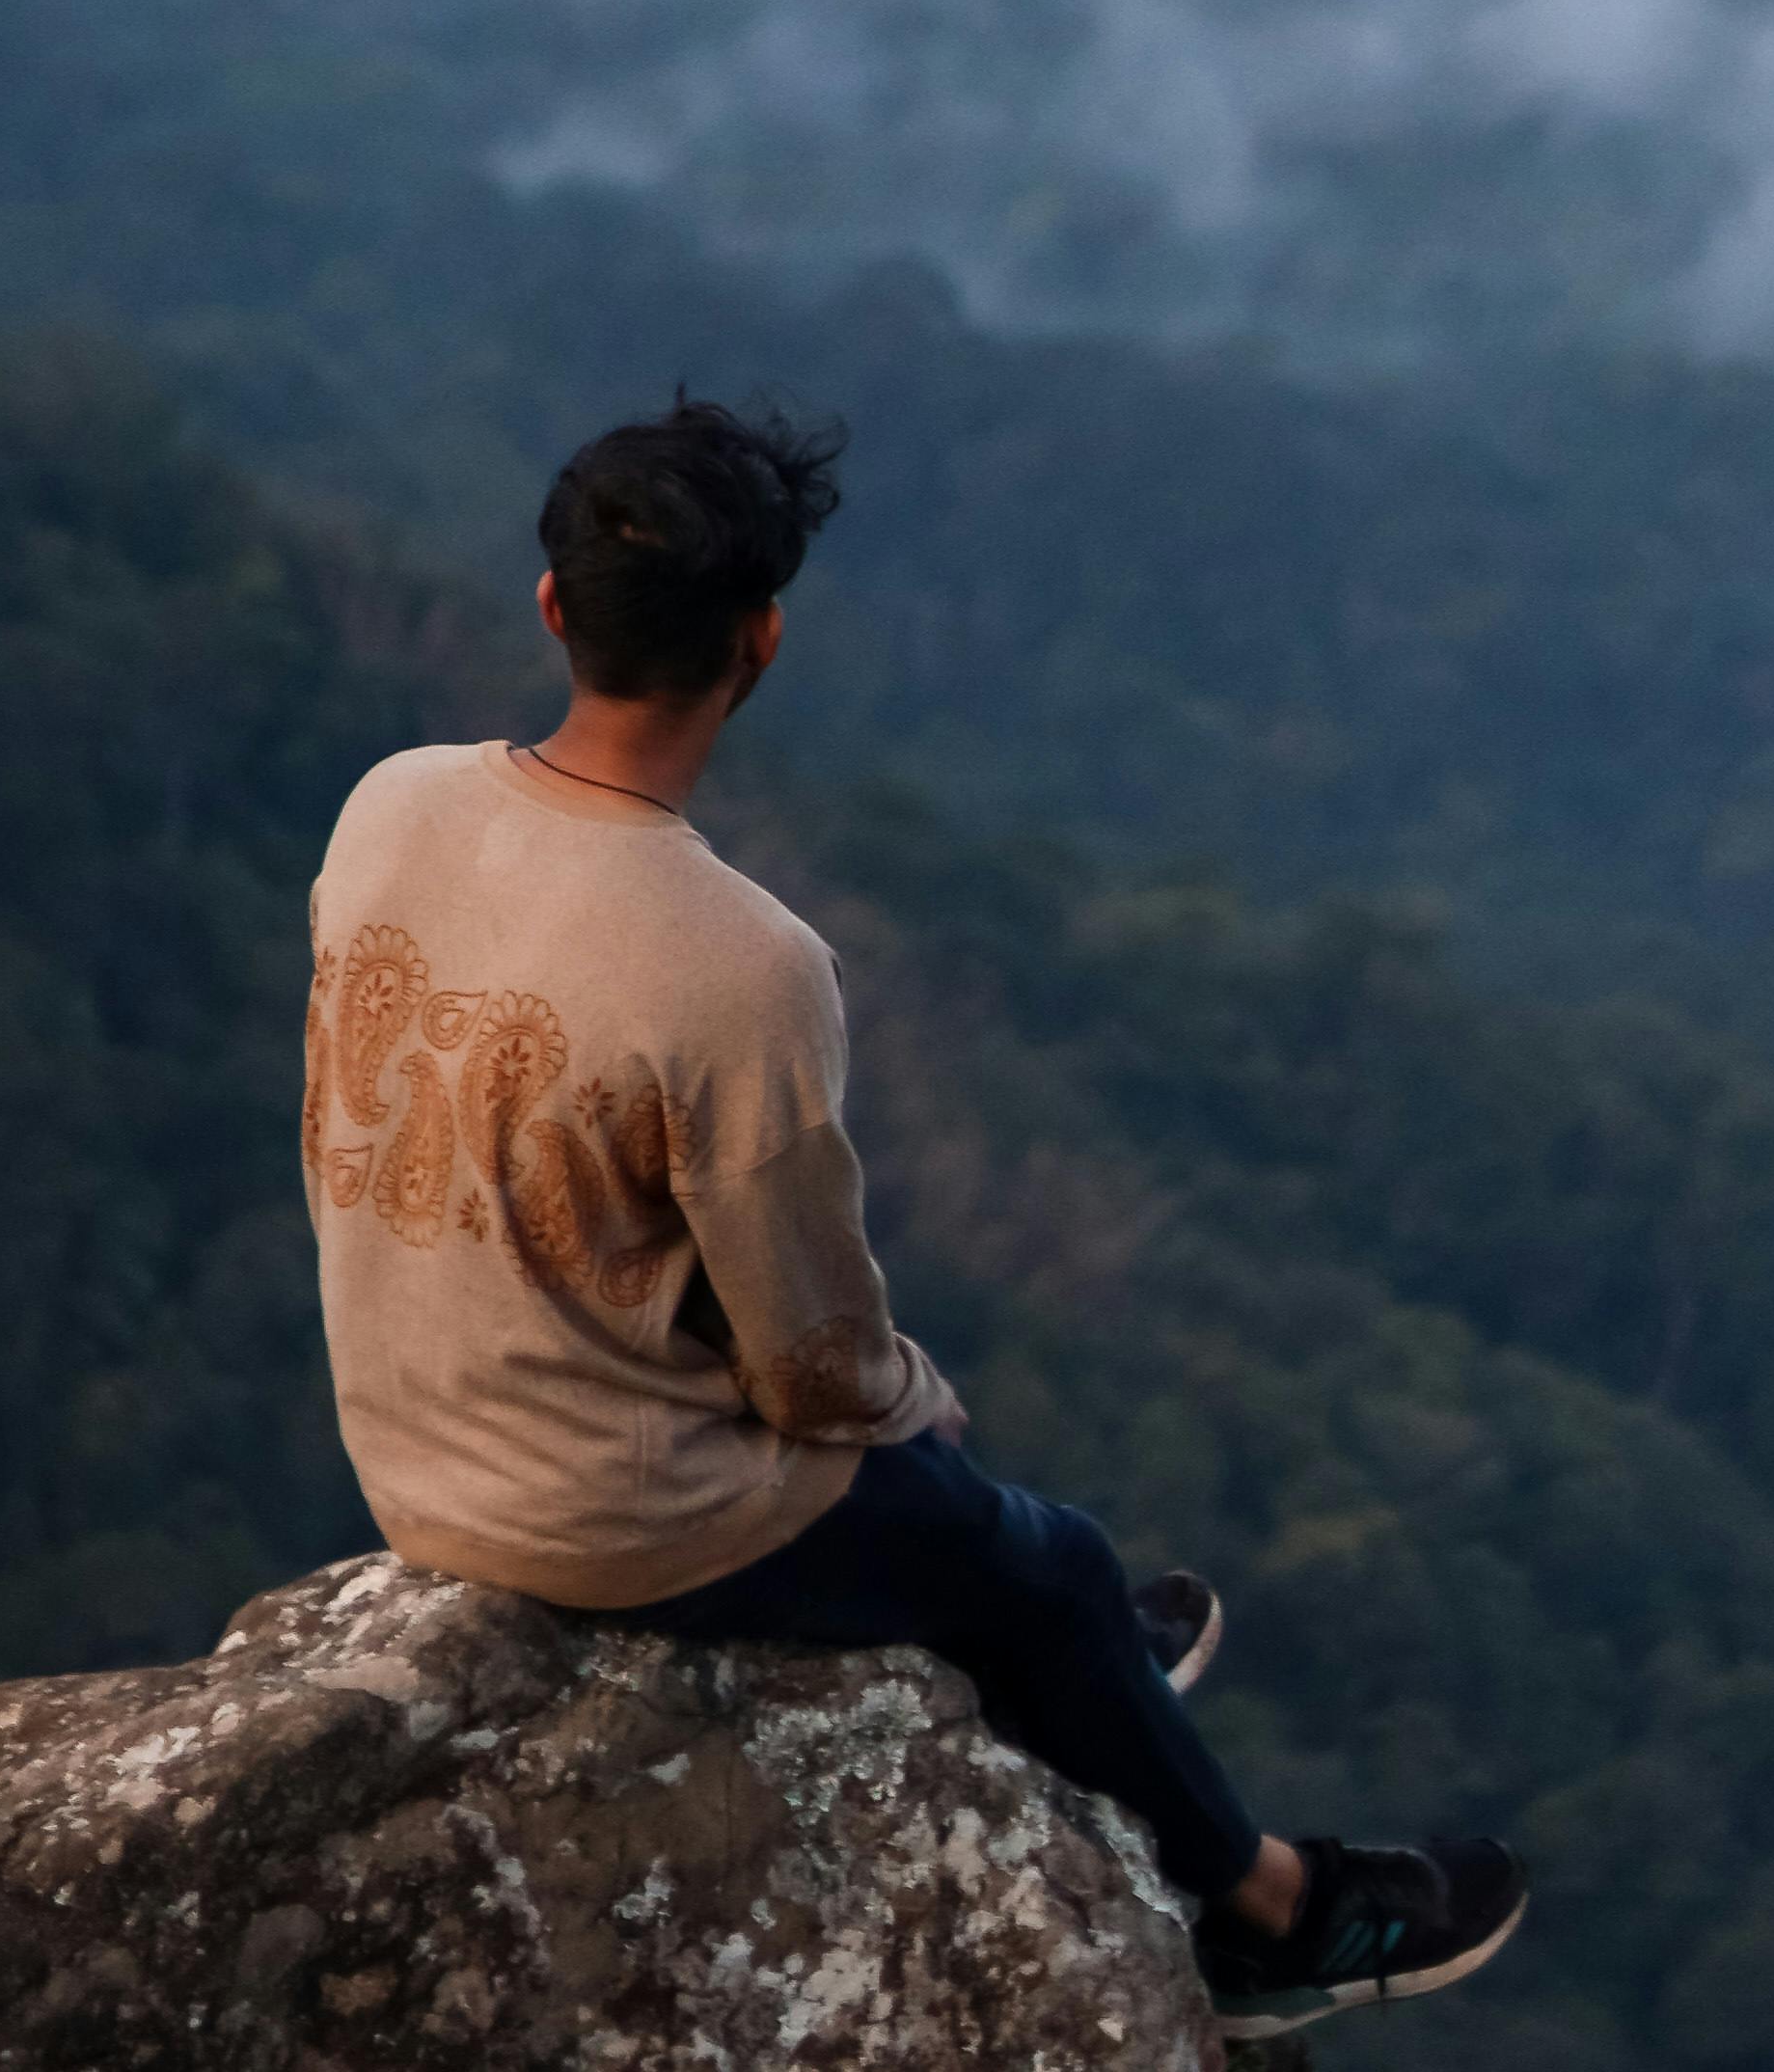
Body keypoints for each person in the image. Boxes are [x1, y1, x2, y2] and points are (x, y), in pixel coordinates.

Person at [302, 390, 1527, 2041]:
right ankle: (1277, 1919)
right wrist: (910, 1394)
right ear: (765, 640)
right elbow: (815, 1366)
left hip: (406, 1438)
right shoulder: (738, 964)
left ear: (553, 609)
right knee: (1038, 1545)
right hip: (594, 1510)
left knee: (1003, 1559)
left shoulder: (394, 805)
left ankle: (1058, 1650)